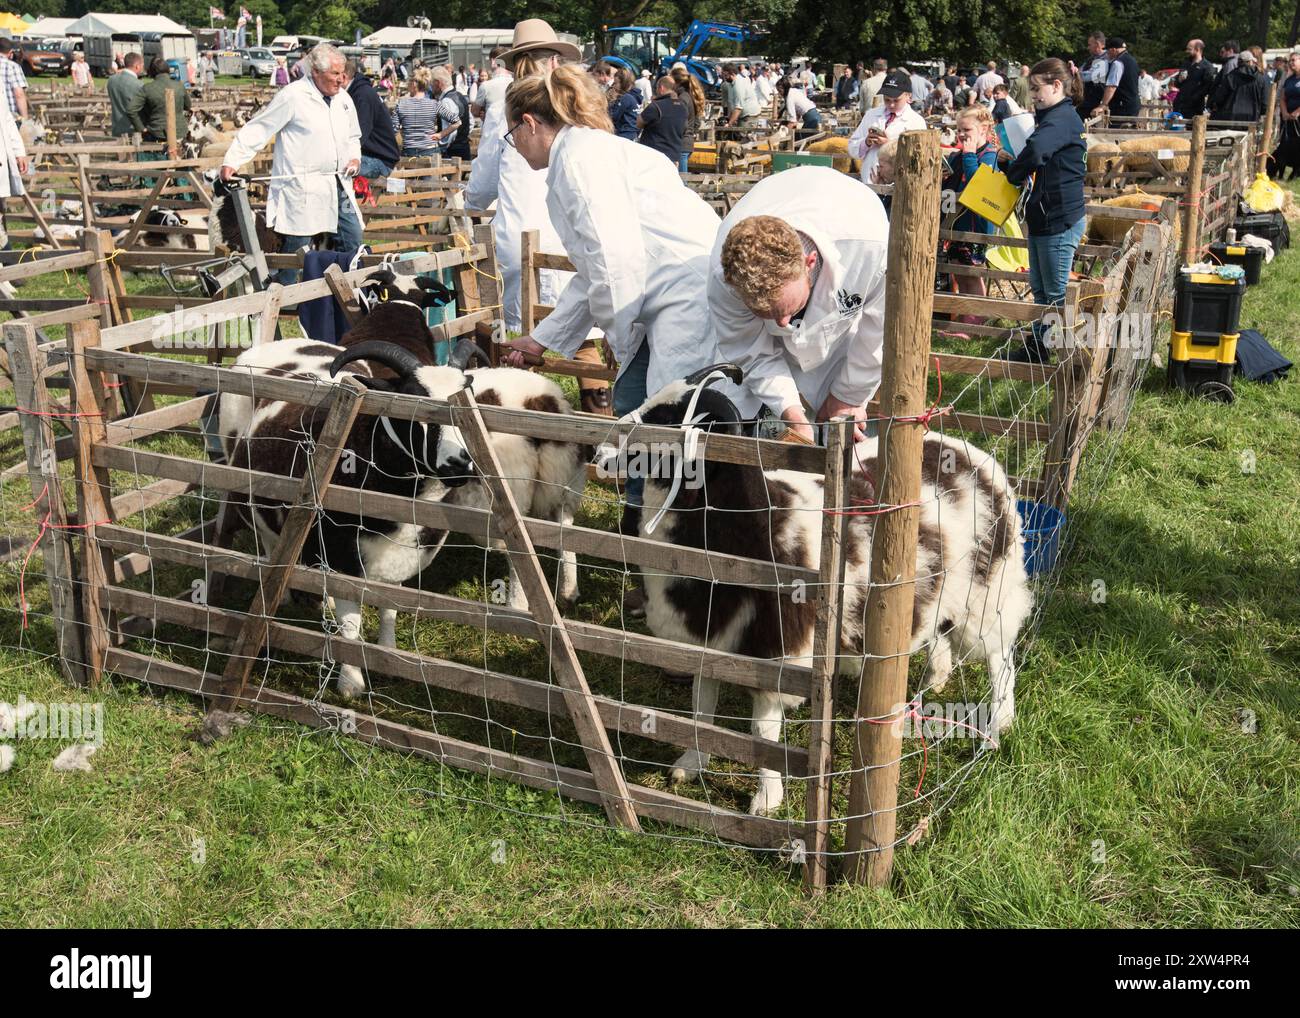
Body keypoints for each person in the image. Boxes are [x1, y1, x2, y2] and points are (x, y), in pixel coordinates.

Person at [498, 65, 742, 566]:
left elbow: (615, 262)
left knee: (674, 428)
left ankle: (688, 553)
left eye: (512, 135)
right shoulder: (586, 154)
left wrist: (620, 330)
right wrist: (543, 340)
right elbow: (595, 271)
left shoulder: (579, 161)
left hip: (684, 301)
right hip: (664, 300)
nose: (516, 147)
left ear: (529, 122)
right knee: (646, 416)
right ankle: (651, 547)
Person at [463, 19, 611, 418]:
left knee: (509, 329)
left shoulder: (506, 108)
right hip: (571, 229)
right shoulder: (574, 103)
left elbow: (483, 181)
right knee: (584, 331)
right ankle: (597, 420)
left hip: (520, 229)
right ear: (554, 61)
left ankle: (511, 417)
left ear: (515, 64)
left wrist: (468, 200)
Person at [709, 166, 887, 444]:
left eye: (786, 309)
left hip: (839, 332)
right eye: (764, 313)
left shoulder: (869, 245)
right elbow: (748, 349)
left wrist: (847, 396)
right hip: (762, 346)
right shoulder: (726, 275)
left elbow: (881, 329)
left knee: (851, 427)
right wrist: (792, 415)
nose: (782, 324)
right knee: (748, 412)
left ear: (809, 262)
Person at [220, 43, 363, 279]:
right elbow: (260, 128)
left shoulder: (344, 99)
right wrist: (233, 160)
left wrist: (355, 158)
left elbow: (353, 136)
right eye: (335, 74)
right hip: (302, 186)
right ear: (316, 72)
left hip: (338, 183)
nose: (342, 79)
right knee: (297, 249)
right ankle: (279, 298)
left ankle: (352, 295)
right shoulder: (293, 96)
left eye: (343, 73)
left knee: (353, 240)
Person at [998, 58, 1086, 364]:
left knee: (1056, 291)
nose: (1033, 94)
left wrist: (1012, 170)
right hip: (1044, 214)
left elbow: (1035, 151)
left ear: (1057, 86)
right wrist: (1009, 162)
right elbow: (1035, 152)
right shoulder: (1052, 117)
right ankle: (1039, 348)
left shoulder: (1061, 118)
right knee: (1040, 288)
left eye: (1037, 88)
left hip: (1058, 216)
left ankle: (1068, 355)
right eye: (1031, 88)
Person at [939, 104, 1000, 339]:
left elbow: (979, 184)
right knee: (961, 273)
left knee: (971, 273)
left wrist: (969, 154)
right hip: (958, 223)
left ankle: (974, 325)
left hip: (976, 224)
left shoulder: (990, 155)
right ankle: (965, 321)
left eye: (966, 129)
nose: (962, 134)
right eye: (959, 129)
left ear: (984, 129)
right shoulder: (960, 154)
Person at [849, 72, 926, 185]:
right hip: (869, 183)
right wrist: (866, 142)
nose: (891, 105)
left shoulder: (916, 121)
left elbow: (917, 158)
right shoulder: (871, 115)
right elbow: (852, 148)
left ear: (908, 96)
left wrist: (888, 144)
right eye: (887, 100)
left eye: (896, 100)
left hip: (898, 187)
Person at [345, 59, 399, 179]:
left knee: (339, 168)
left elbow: (360, 132)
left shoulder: (362, 95)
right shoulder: (357, 91)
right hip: (372, 155)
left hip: (381, 160)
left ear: (344, 76)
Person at [127, 58, 191, 155]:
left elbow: (131, 109)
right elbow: (188, 106)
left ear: (152, 72)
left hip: (156, 133)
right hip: (180, 132)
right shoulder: (179, 85)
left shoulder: (147, 88)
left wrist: (141, 128)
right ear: (168, 70)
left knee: (158, 163)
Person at [392, 68, 441, 159]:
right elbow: (456, 121)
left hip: (409, 151)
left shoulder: (401, 104)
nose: (407, 85)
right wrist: (441, 134)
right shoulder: (434, 104)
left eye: (408, 82)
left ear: (414, 84)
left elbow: (393, 130)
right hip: (431, 151)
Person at [638, 75, 686, 164]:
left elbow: (638, 123)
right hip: (673, 156)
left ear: (661, 88)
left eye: (656, 88)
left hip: (654, 156)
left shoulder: (655, 106)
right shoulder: (682, 107)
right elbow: (685, 128)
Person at [1214, 50, 1270, 123]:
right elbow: (1265, 103)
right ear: (1250, 62)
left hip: (1231, 119)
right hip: (1253, 119)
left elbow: (1219, 98)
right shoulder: (1261, 78)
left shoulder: (1230, 77)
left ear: (1238, 62)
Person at [1270, 51, 1300, 179]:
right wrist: (1284, 112)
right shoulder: (1289, 79)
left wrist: (1297, 112)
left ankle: (1297, 171)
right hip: (1287, 118)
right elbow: (1282, 97)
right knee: (1285, 145)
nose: (1291, 63)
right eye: (1290, 61)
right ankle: (1281, 172)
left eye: (1294, 60)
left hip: (1298, 118)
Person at [1094, 37, 1140, 119]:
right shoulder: (1133, 60)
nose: (1107, 53)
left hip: (1121, 106)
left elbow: (1111, 87)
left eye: (1108, 50)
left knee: (1116, 130)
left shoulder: (1118, 63)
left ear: (1113, 50)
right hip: (1133, 104)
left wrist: (1103, 105)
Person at [429, 66, 471, 158]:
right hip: (464, 148)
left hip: (452, 153)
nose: (431, 87)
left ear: (438, 83)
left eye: (431, 84)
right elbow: (470, 121)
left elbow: (450, 133)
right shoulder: (460, 95)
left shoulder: (446, 101)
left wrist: (440, 146)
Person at [595, 60, 640, 140]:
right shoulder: (631, 96)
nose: (614, 86)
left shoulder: (626, 98)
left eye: (616, 83)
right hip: (629, 134)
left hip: (624, 135)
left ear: (624, 83)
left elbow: (613, 116)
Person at [1173, 39, 1216, 119]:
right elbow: (1177, 84)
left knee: (1192, 130)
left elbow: (1207, 88)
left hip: (1194, 108)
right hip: (1179, 106)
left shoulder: (1207, 67)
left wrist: (1194, 98)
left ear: (1198, 50)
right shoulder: (1186, 63)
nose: (1187, 51)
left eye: (1189, 49)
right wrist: (1179, 80)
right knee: (1176, 130)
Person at [671, 65, 704, 173]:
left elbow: (681, 122)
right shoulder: (688, 95)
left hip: (682, 143)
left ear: (676, 82)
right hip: (687, 142)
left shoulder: (682, 98)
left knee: (682, 181)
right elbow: (697, 122)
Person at [108, 52, 144, 139]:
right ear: (137, 66)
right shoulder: (139, 85)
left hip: (117, 127)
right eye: (142, 65)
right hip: (133, 130)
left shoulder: (111, 80)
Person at [1079, 31, 1108, 113]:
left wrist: (1075, 74)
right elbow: (1080, 70)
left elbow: (1088, 77)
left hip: (1096, 102)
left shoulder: (1105, 59)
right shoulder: (1091, 59)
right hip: (1087, 99)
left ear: (1097, 44)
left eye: (1089, 45)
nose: (1088, 47)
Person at [0, 41, 28, 122]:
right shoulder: (12, 67)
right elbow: (19, 94)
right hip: (8, 117)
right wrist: (24, 118)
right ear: (10, 52)